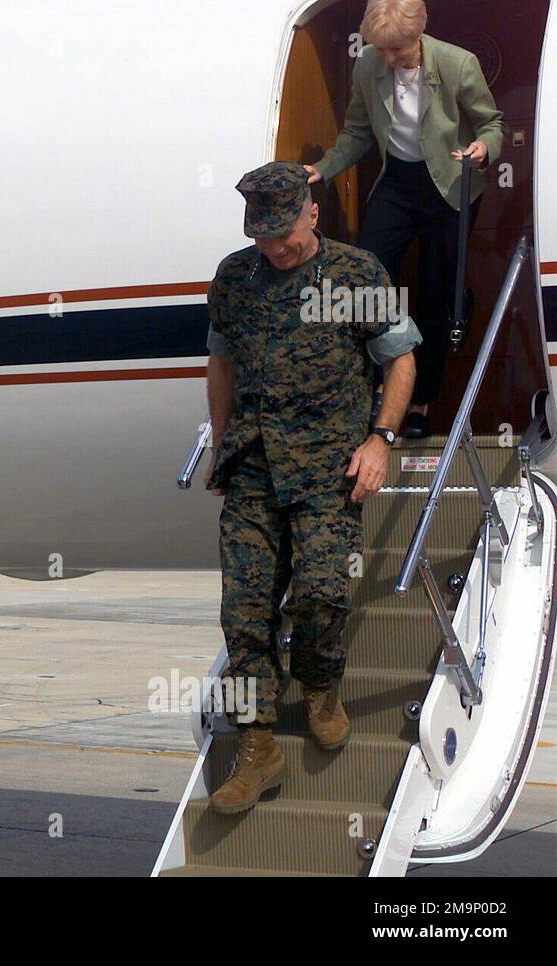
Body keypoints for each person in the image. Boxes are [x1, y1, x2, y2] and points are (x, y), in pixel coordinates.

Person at [203, 162, 421, 814]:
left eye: (286, 235)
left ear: (312, 213)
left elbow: (402, 358)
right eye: (264, 237)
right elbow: (221, 362)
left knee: (322, 594)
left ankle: (322, 687)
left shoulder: (358, 274)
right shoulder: (234, 278)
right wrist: (221, 446)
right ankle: (258, 748)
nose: (277, 248)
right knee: (243, 617)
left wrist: (380, 438)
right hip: (253, 466)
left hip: (330, 469)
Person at [304, 0, 504, 437]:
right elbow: (357, 132)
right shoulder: (369, 65)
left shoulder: (457, 64)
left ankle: (420, 403)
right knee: (366, 278)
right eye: (382, 50)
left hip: (449, 186)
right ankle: (376, 388)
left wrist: (484, 150)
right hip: (398, 183)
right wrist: (325, 168)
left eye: (396, 50)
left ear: (418, 35)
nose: (388, 59)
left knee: (435, 296)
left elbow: (492, 125)